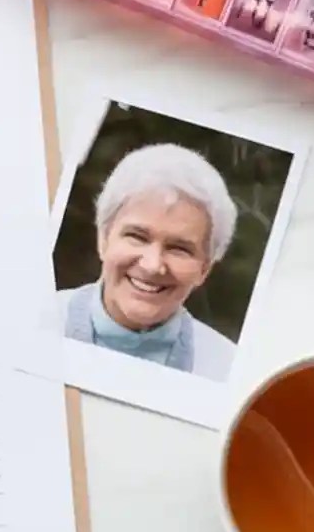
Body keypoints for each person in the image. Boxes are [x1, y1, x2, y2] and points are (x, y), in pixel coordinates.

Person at [58, 143, 240, 382]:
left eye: (179, 248)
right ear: (103, 239)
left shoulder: (228, 370)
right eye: (137, 237)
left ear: (204, 269)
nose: (153, 265)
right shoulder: (31, 323)